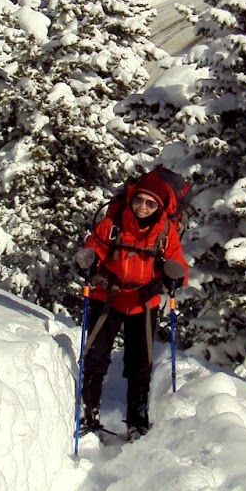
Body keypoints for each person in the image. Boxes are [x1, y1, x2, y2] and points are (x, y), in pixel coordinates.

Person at [74, 170, 189, 440]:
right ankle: (90, 413)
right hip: (107, 298)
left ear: (159, 207)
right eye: (139, 201)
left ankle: (137, 420)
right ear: (131, 199)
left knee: (140, 363)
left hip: (143, 302)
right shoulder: (113, 223)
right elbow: (94, 246)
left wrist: (177, 275)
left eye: (150, 204)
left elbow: (178, 261)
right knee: (95, 356)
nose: (143, 207)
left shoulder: (165, 230)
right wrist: (88, 260)